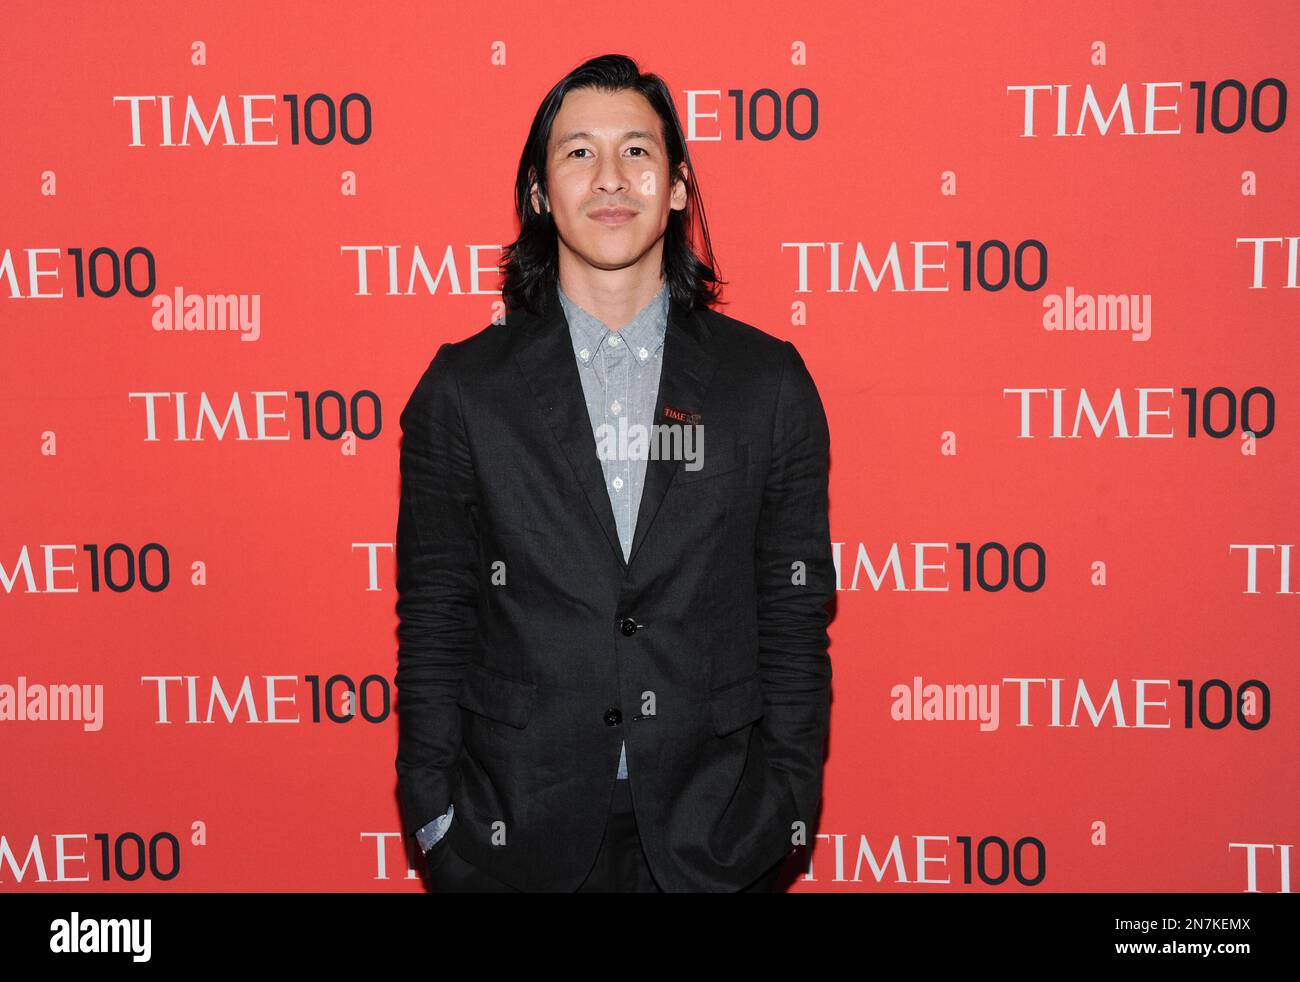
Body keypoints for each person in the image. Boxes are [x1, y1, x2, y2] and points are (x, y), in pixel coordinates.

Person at [393, 53, 834, 892]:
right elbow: (437, 607)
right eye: (578, 152)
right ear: (538, 192)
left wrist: (784, 797)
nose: (610, 179)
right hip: (513, 830)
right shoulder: (463, 390)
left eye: (637, 151)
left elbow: (793, 607)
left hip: (718, 833)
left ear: (675, 187)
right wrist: (434, 809)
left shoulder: (766, 384)